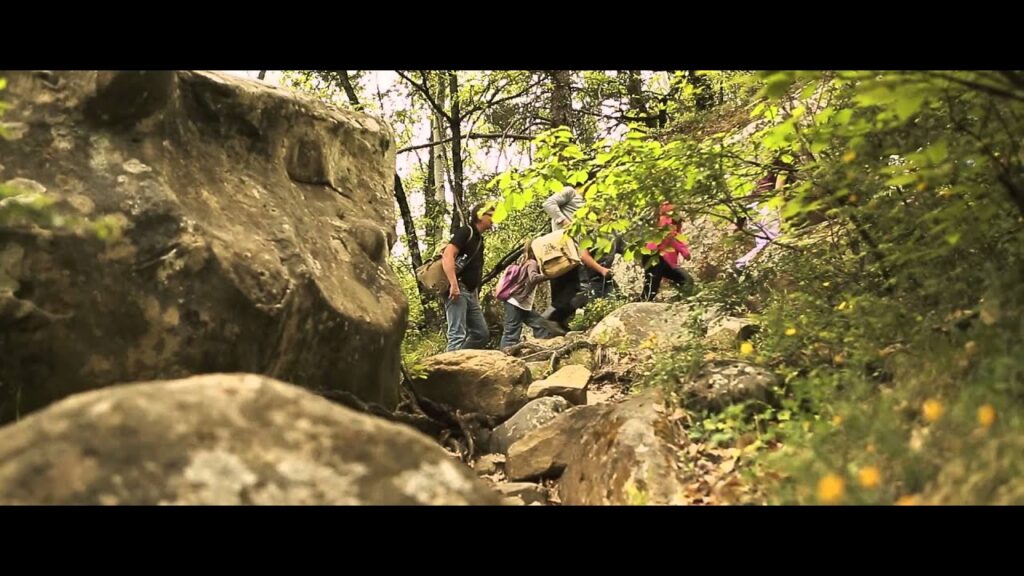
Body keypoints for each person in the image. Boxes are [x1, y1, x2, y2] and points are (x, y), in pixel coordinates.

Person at [540, 182, 613, 333]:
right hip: (562, 247)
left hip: (574, 252)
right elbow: (548, 203)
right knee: (577, 288)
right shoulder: (571, 192)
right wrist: (564, 221)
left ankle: (555, 323)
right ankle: (549, 318)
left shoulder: (587, 208)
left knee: (570, 288)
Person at [442, 201, 495, 351]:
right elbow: (448, 255)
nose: (493, 219)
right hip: (458, 288)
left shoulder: (479, 239)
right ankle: (448, 370)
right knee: (457, 335)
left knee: (481, 334)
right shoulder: (466, 231)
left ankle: (461, 361)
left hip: (470, 292)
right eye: (490, 215)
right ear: (480, 215)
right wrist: (453, 284)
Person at [499, 239, 565, 350]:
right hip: (515, 303)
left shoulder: (527, 262)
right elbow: (533, 278)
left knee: (539, 324)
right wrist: (549, 275)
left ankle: (541, 347)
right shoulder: (532, 263)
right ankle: (504, 357)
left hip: (522, 304)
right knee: (511, 332)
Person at [641, 202, 694, 301]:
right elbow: (668, 235)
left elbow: (674, 238)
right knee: (651, 290)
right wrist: (683, 250)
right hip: (655, 256)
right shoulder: (666, 219)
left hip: (663, 260)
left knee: (686, 280)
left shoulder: (675, 223)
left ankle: (683, 304)